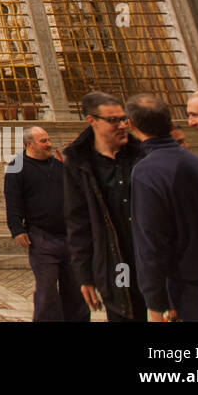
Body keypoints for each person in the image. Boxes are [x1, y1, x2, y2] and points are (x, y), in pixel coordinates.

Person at [125, 95, 198, 321]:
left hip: (192, 287)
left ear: (131, 125)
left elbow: (150, 241)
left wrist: (155, 303)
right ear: (170, 123)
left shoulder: (147, 172)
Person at [63, 91, 146, 322]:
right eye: (113, 120)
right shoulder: (79, 162)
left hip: (149, 255)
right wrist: (85, 276)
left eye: (123, 119)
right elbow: (78, 221)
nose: (122, 125)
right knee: (124, 312)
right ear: (93, 121)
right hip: (116, 262)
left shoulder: (141, 154)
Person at [4, 127, 88, 322]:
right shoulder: (17, 167)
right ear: (29, 144)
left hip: (69, 236)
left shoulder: (59, 166)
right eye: (43, 141)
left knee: (76, 288)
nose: (49, 144)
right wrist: (17, 229)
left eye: (48, 139)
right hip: (41, 236)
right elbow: (13, 200)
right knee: (47, 290)